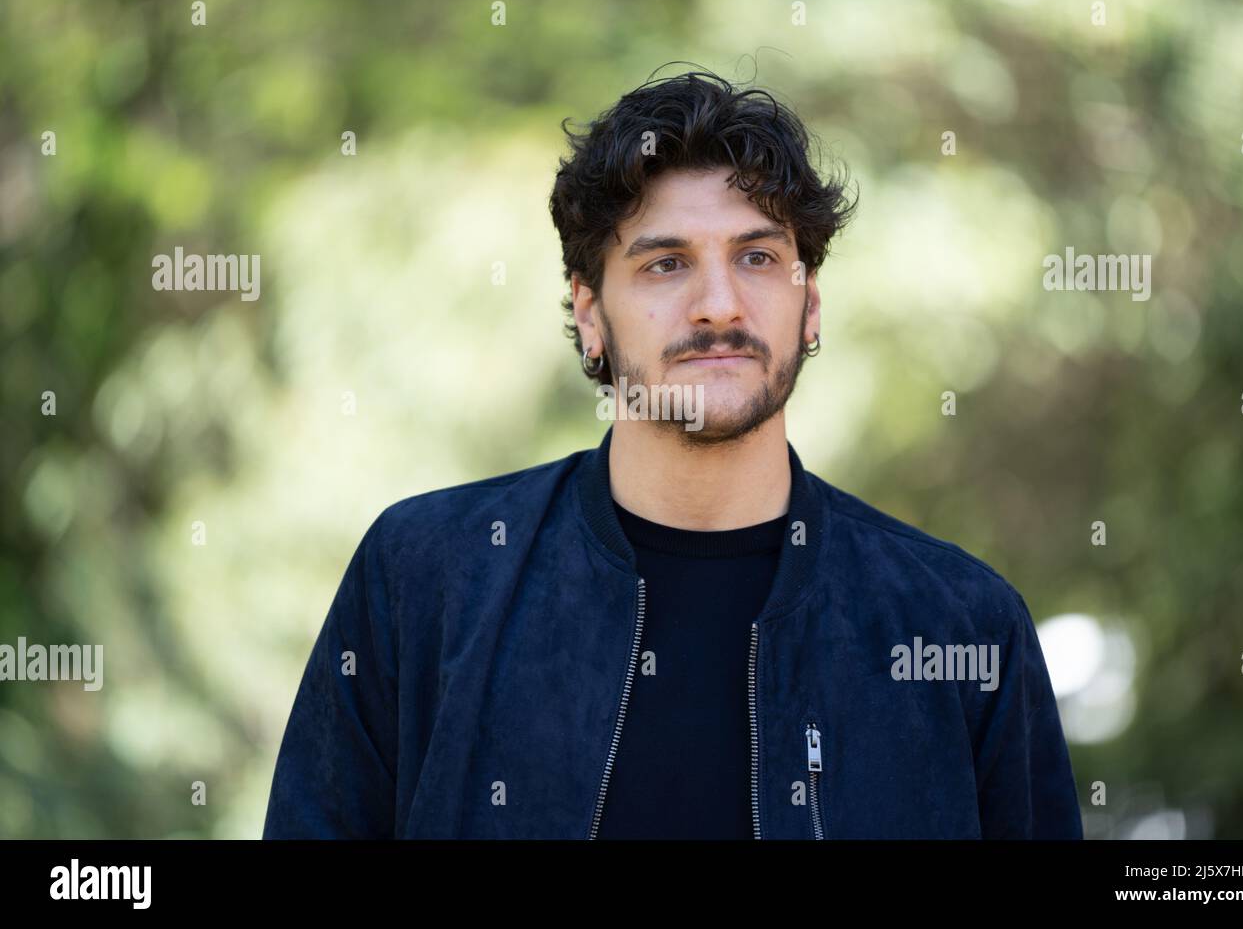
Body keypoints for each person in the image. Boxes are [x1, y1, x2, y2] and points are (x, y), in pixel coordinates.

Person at [263, 66, 1083, 839]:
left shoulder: (959, 623)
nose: (719, 305)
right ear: (589, 313)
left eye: (758, 258)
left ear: (809, 307)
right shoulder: (426, 581)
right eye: (665, 264)